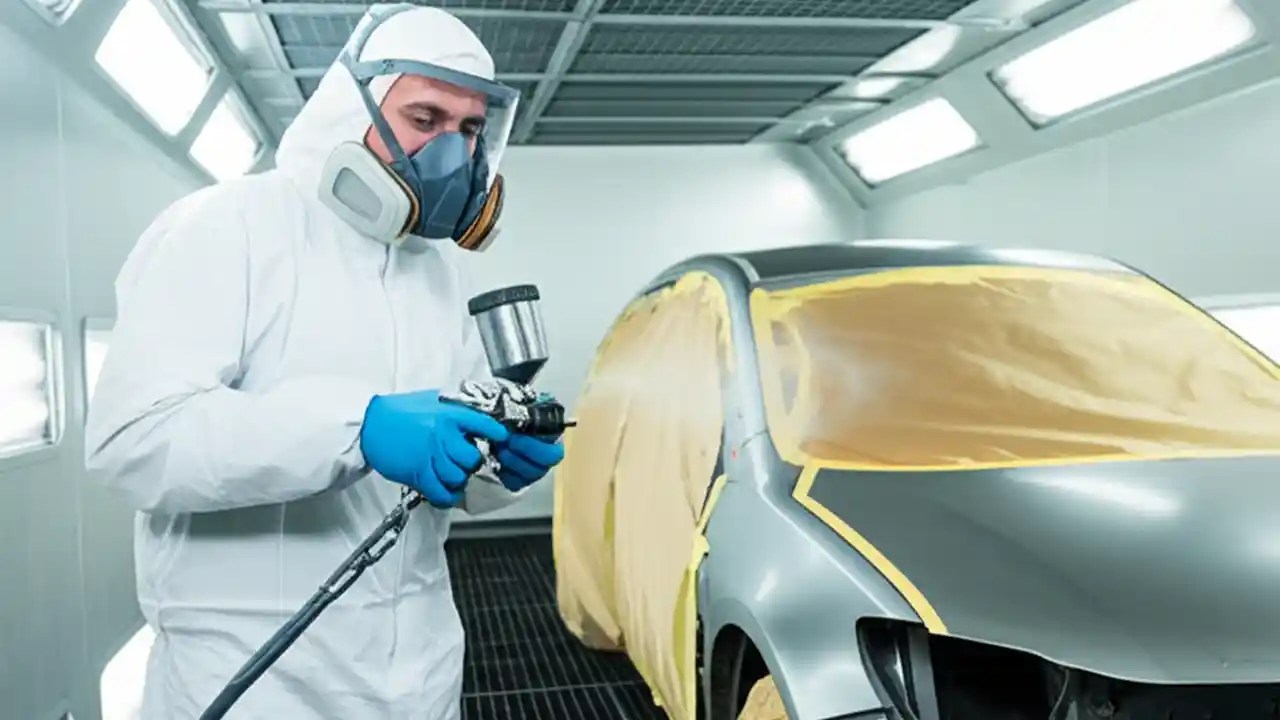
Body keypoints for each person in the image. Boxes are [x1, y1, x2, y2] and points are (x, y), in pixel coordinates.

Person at [83, 4, 563, 718]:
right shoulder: (228, 228)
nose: (452, 154)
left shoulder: (438, 271)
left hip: (421, 675)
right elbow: (133, 441)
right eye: (424, 118)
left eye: (469, 130)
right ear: (352, 106)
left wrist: (494, 469)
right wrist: (355, 429)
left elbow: (442, 461)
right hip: (255, 677)